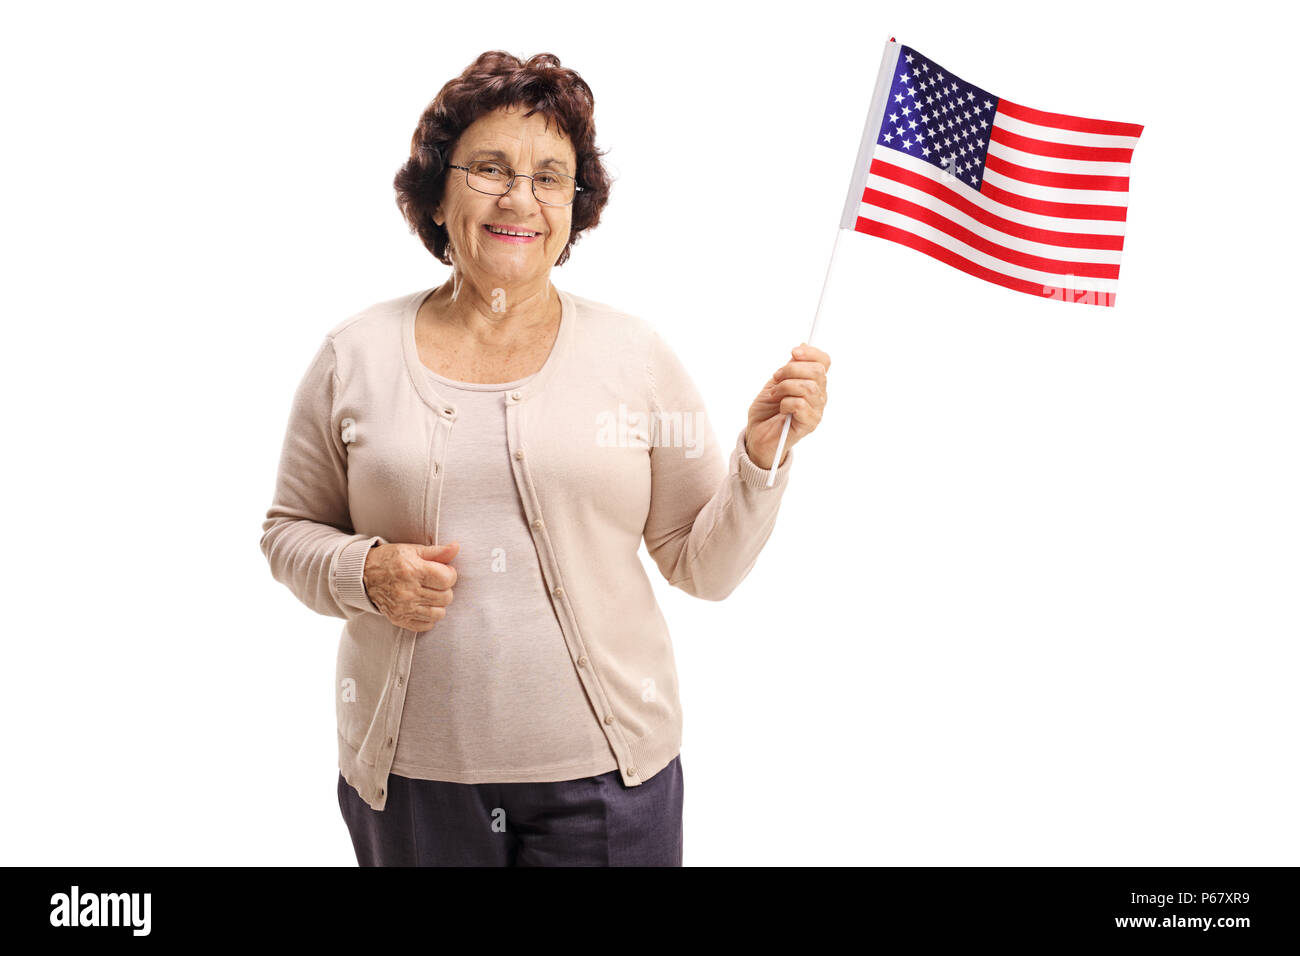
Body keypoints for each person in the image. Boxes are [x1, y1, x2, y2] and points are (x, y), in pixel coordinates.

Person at [260, 50, 830, 866]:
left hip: (610, 784)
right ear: (437, 190)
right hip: (415, 784)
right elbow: (288, 532)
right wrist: (366, 571)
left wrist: (760, 461)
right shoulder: (354, 355)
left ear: (576, 203)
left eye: (550, 177)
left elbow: (703, 568)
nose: (519, 198)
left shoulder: (636, 356)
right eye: (490, 169)